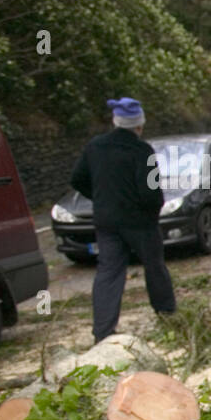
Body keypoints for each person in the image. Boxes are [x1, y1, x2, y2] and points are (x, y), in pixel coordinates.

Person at [70, 97, 177, 344]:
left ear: (115, 121)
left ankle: (103, 331)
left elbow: (77, 179)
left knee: (108, 271)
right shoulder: (142, 151)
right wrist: (152, 215)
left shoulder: (95, 147)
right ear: (139, 125)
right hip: (139, 221)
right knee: (154, 266)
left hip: (107, 221)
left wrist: (99, 197)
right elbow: (151, 193)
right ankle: (167, 314)